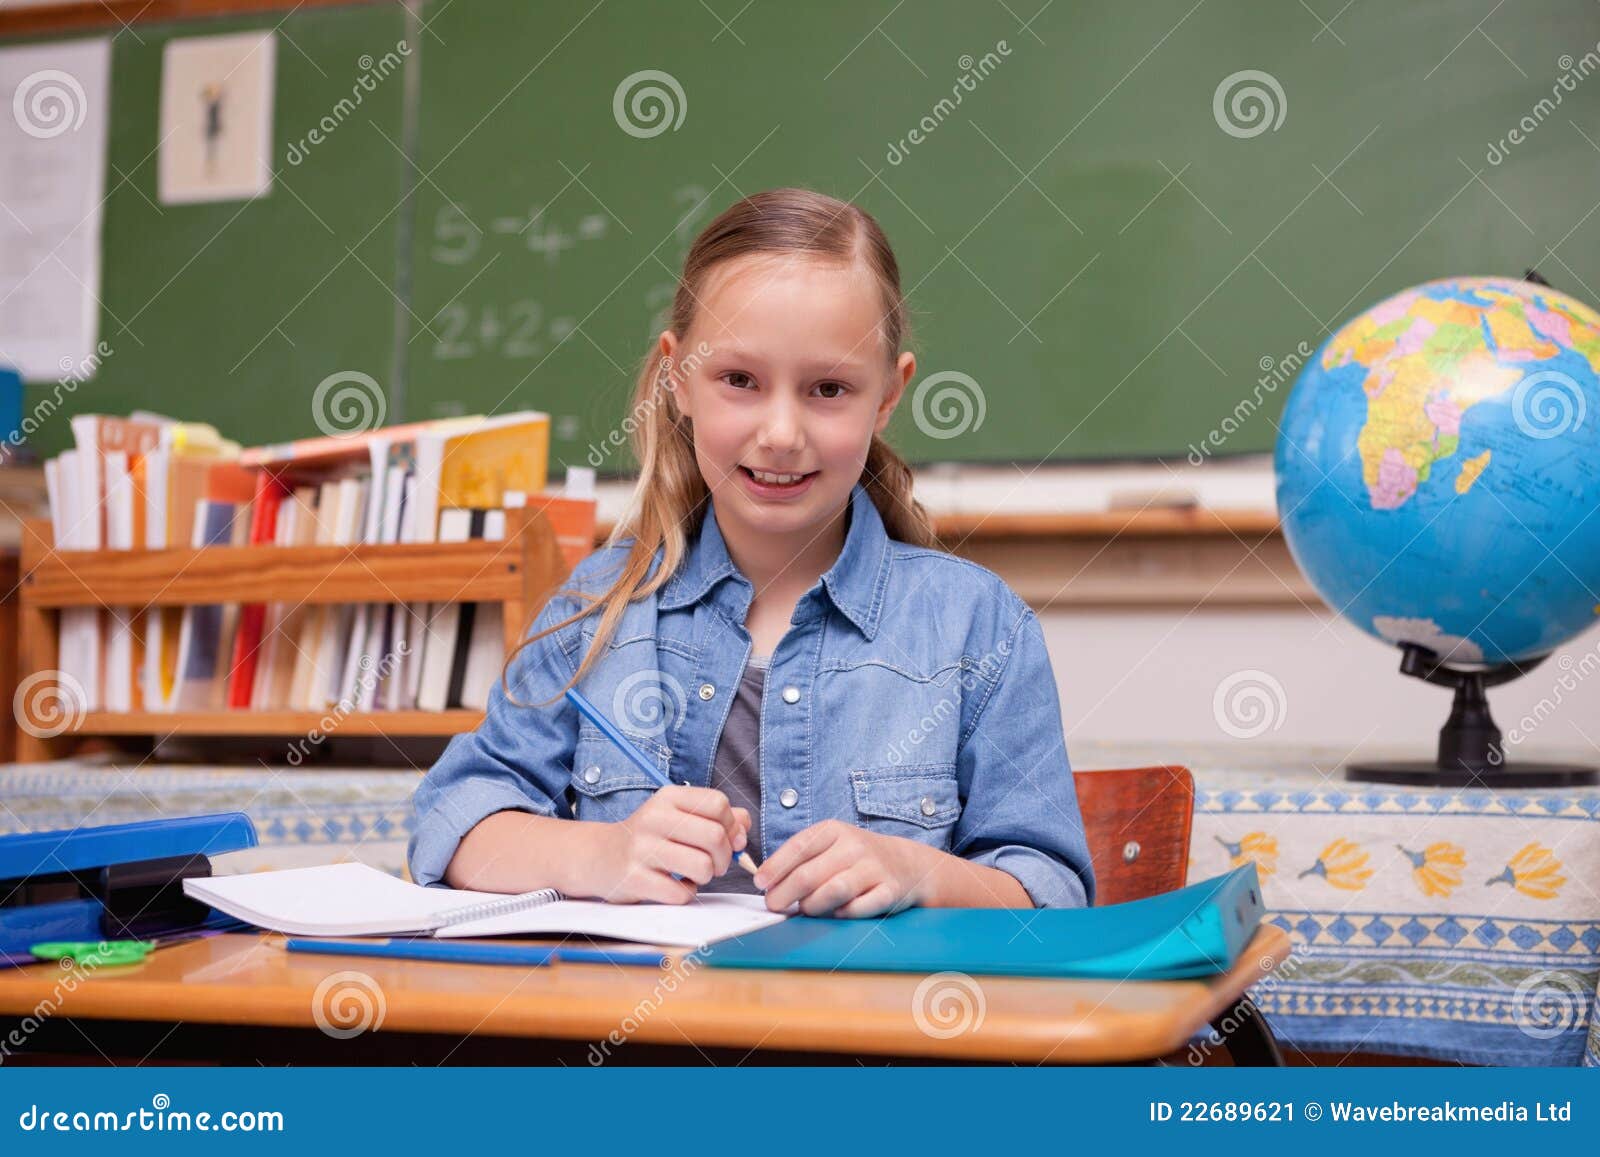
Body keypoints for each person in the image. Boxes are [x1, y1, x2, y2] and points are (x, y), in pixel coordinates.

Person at [408, 187, 1095, 916]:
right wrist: (601, 854)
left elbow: (1049, 889)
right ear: (678, 377)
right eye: (740, 380)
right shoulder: (597, 609)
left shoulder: (978, 626)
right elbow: (453, 822)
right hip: (636, 1027)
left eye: (828, 388)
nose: (780, 432)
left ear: (889, 397)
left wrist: (915, 870)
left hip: (877, 1029)